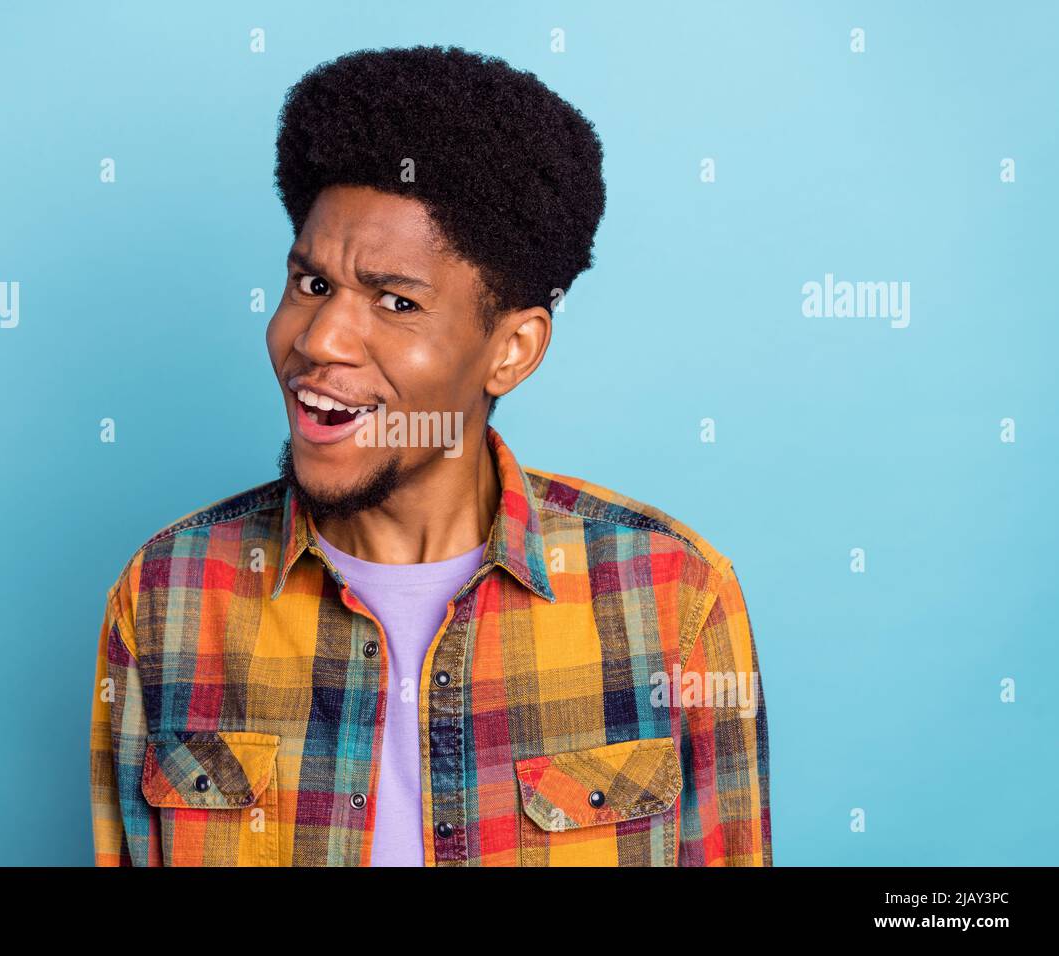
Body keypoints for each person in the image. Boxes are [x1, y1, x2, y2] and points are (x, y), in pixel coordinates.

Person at [90, 44, 770, 867]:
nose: (318, 339)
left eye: (396, 301)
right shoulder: (168, 597)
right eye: (310, 284)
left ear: (512, 351)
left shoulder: (673, 599)